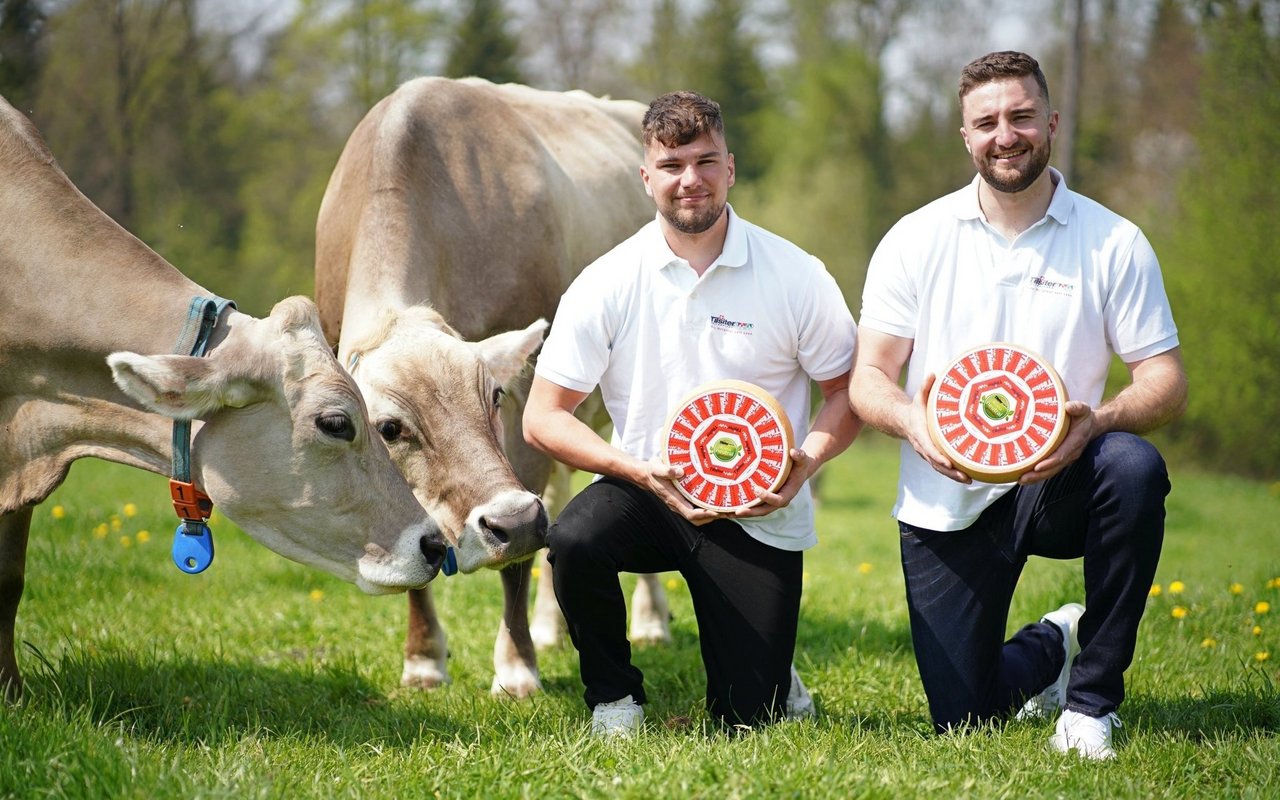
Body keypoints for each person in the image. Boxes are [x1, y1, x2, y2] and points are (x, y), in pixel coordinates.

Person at [849, 51, 1187, 760]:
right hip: (947, 490)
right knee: (963, 719)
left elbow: (1164, 379)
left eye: (1021, 116)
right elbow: (869, 378)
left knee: (1130, 467)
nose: (1006, 134)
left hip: (1059, 475)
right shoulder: (915, 238)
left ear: (1051, 123)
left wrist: (1101, 420)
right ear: (965, 137)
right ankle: (1053, 645)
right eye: (988, 122)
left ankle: (1092, 704)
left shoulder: (1114, 242)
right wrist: (914, 421)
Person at [523, 90, 861, 736]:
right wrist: (634, 469)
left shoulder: (795, 274)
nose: (691, 180)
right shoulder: (606, 281)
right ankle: (615, 699)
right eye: (672, 165)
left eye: (705, 162)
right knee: (573, 538)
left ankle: (770, 672)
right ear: (646, 177)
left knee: (746, 721)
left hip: (758, 508)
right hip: (649, 489)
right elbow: (542, 417)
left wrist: (807, 463)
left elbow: (848, 391)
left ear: (730, 168)